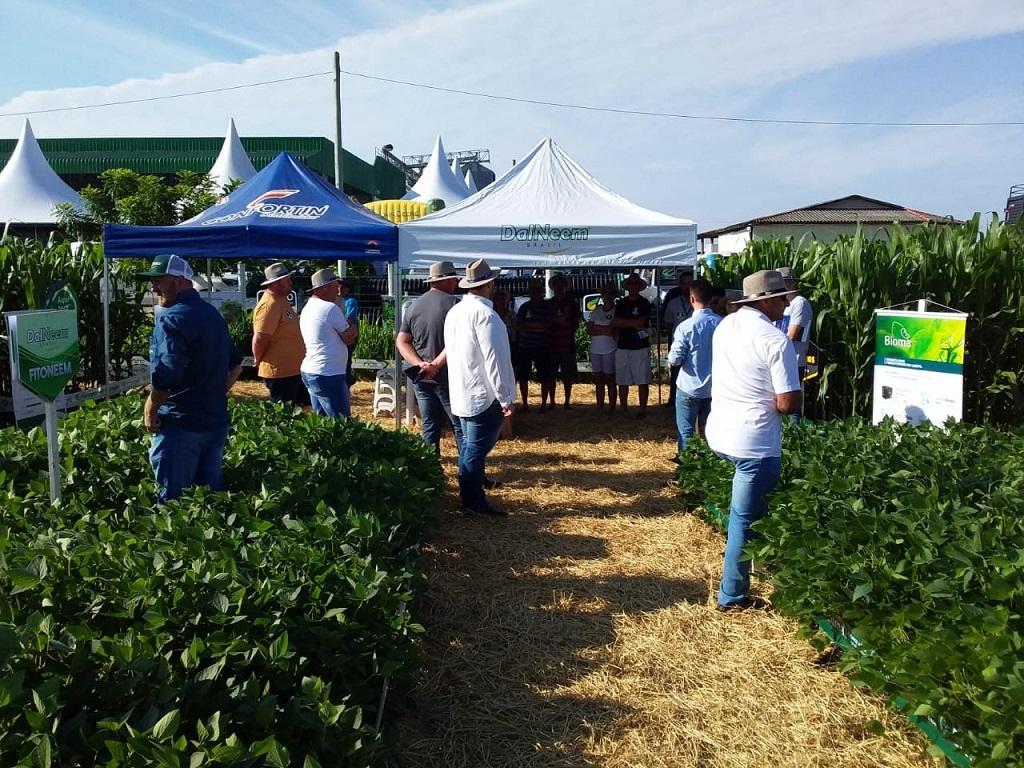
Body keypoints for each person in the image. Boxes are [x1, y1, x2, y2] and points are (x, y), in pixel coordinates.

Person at [705, 270, 801, 612]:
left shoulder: (725, 325)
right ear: (765, 301)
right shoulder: (776, 341)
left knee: (748, 512)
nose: (786, 303)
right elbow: (787, 403)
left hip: (721, 431)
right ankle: (731, 597)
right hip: (754, 442)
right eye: (781, 298)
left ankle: (759, 563)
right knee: (743, 521)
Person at [138, 254, 242, 501]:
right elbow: (236, 365)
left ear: (178, 281)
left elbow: (168, 374)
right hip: (214, 421)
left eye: (158, 280)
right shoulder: (211, 314)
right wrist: (214, 393)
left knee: (173, 505)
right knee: (210, 502)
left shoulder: (172, 318)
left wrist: (150, 408)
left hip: (180, 425)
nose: (153, 287)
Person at [444, 258, 516, 516]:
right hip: (483, 394)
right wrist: (505, 397)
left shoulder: (455, 312)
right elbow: (495, 360)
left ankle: (470, 496)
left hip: (461, 390)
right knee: (475, 449)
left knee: (469, 446)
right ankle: (473, 500)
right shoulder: (487, 316)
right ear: (489, 285)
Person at [396, 260, 464, 454]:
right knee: (459, 425)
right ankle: (468, 469)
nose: (456, 282)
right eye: (454, 279)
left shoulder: (413, 306)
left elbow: (402, 341)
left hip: (421, 376)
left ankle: (430, 467)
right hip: (447, 376)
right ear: (446, 281)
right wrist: (435, 365)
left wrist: (420, 364)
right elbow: (457, 341)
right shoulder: (455, 306)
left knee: (429, 424)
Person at [667, 278, 720, 456]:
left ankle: (687, 466)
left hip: (689, 386)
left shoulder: (685, 327)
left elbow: (675, 359)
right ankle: (710, 465)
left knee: (686, 433)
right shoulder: (722, 323)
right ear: (711, 298)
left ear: (691, 299)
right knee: (710, 432)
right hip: (715, 387)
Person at [299, 268, 357, 418]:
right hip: (329, 373)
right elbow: (349, 338)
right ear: (325, 287)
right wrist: (353, 328)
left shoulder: (308, 307)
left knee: (322, 421)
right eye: (335, 286)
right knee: (341, 422)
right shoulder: (330, 308)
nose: (338, 291)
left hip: (312, 369)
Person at [251, 262, 309, 407]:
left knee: (301, 409)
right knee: (283, 413)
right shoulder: (269, 305)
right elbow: (260, 338)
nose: (291, 282)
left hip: (292, 370)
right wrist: (258, 359)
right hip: (280, 372)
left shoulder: (280, 300)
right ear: (276, 283)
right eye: (287, 280)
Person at [775, 266, 813, 421]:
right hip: (779, 359)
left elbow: (791, 335)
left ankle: (795, 433)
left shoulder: (800, 304)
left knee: (791, 405)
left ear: (792, 283)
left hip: (794, 360)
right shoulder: (781, 304)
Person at [612, 273, 653, 418]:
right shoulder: (621, 303)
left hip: (640, 346)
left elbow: (641, 322)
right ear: (627, 286)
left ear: (639, 286)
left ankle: (642, 409)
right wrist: (632, 323)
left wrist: (625, 323)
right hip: (623, 345)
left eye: (636, 283)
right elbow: (616, 322)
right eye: (630, 283)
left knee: (643, 380)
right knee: (622, 380)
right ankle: (623, 408)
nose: (633, 286)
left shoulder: (644, 303)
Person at [515, 278, 553, 410]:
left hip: (542, 347)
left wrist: (529, 326)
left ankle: (543, 404)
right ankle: (525, 403)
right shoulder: (524, 307)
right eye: (533, 290)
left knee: (544, 377)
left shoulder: (547, 307)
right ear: (529, 292)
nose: (535, 293)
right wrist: (538, 327)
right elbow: (519, 326)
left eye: (537, 290)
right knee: (523, 377)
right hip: (525, 347)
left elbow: (548, 326)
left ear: (542, 291)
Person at [545, 273, 581, 409]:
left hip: (567, 344)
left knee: (567, 376)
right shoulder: (549, 304)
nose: (559, 288)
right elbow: (545, 323)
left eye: (562, 285)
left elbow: (576, 324)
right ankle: (552, 402)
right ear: (553, 287)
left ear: (566, 287)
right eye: (557, 285)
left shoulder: (572, 304)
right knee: (551, 375)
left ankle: (567, 401)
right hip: (551, 345)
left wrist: (563, 323)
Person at [663, 271, 694, 408]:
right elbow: (668, 323)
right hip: (678, 344)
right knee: (675, 373)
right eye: (684, 284)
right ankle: (674, 401)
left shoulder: (700, 303)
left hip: (695, 345)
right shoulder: (673, 303)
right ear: (679, 285)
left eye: (690, 284)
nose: (687, 287)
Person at [587, 282, 618, 410]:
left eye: (610, 294)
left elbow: (613, 331)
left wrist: (598, 328)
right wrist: (605, 329)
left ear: (614, 295)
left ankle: (612, 406)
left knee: (610, 378)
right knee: (598, 379)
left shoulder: (617, 311)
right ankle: (600, 406)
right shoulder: (597, 310)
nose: (607, 296)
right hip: (596, 349)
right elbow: (589, 330)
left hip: (610, 349)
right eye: (605, 294)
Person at [338, 277, 360, 387]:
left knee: (346, 359)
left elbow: (349, 319)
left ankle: (347, 380)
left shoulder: (350, 302)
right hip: (341, 333)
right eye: (338, 287)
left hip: (348, 334)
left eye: (342, 287)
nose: (339, 289)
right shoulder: (336, 300)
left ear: (347, 289)